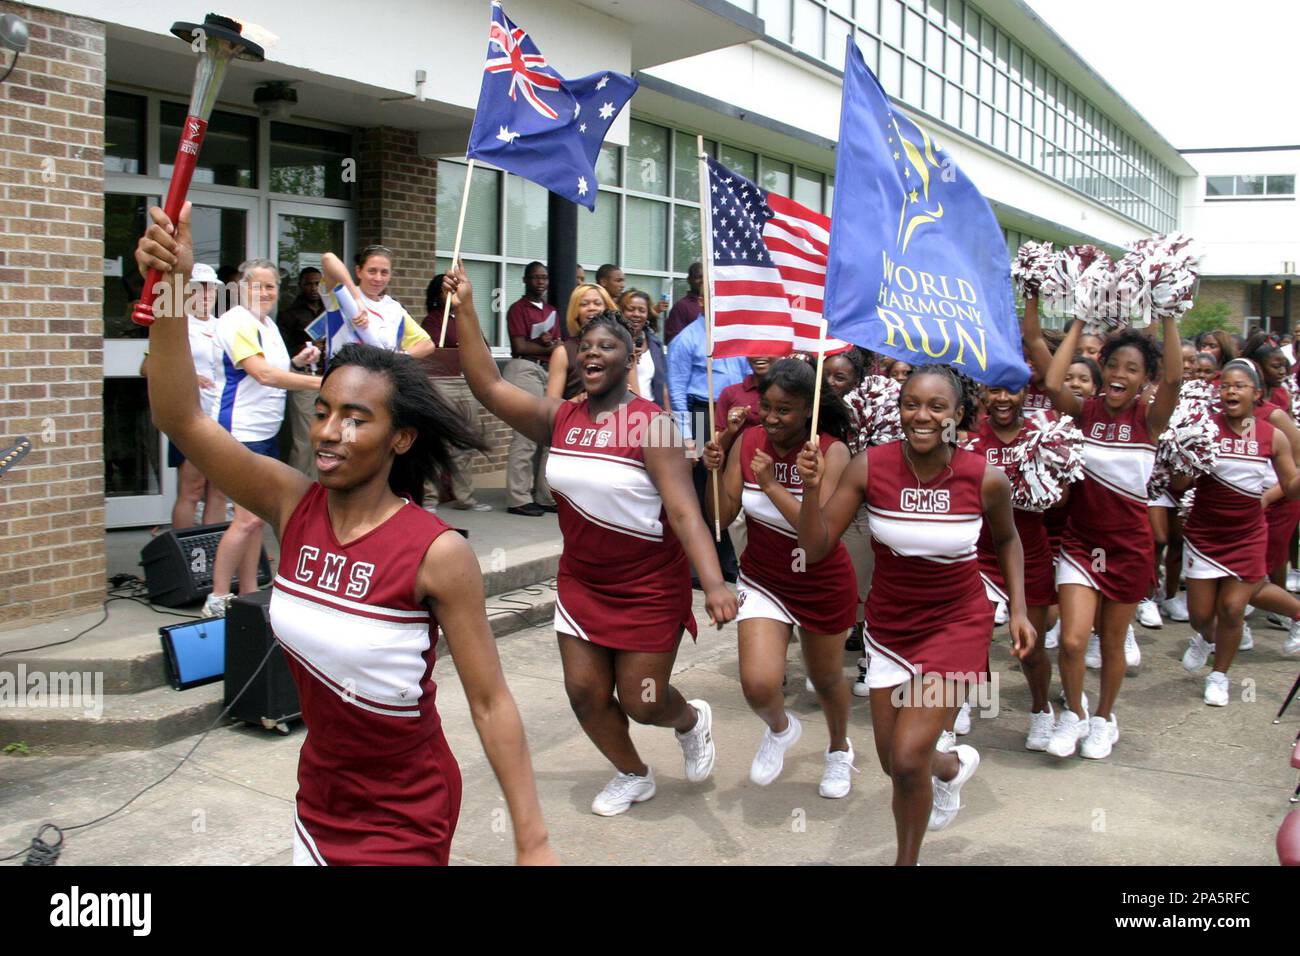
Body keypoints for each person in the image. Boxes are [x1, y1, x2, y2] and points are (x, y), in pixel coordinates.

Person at [135, 202, 555, 866]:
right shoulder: (289, 502)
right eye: (325, 412)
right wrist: (168, 289)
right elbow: (181, 417)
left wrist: (532, 843)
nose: (329, 432)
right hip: (318, 798)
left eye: (357, 418)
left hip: (404, 811)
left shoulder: (438, 554)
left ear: (402, 437)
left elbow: (491, 700)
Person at [448, 262, 738, 816]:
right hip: (584, 581)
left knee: (643, 700)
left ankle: (691, 719)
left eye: (607, 347)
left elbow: (682, 511)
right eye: (586, 346)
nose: (593, 354)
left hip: (649, 584)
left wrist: (716, 582)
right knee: (583, 692)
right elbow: (486, 385)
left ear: (630, 358)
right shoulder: (560, 417)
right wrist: (464, 308)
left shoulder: (650, 425)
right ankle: (633, 772)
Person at [796, 365, 1033, 864]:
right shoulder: (869, 467)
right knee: (894, 763)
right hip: (888, 627)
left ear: (957, 415)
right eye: (911, 404)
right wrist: (811, 488)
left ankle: (907, 860)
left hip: (956, 624)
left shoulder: (984, 478)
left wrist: (1019, 610)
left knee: (907, 758)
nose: (921, 416)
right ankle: (948, 768)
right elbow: (816, 548)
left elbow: (1009, 540)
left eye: (936, 406)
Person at [1033, 299, 1182, 761]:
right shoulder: (1086, 411)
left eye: (1132, 368)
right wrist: (1078, 319)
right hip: (1081, 543)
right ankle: (1073, 715)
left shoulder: (1149, 419)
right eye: (1113, 364)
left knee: (1112, 643)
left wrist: (1172, 313)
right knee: (1074, 639)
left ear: (1145, 379)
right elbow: (1053, 381)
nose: (1120, 373)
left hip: (1128, 547)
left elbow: (1175, 378)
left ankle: (1103, 718)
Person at [703, 359, 859, 796]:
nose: (771, 418)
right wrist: (714, 469)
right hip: (764, 578)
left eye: (784, 410)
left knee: (826, 680)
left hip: (820, 580)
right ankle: (779, 727)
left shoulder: (831, 452)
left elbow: (817, 542)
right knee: (756, 684)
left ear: (807, 412)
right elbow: (720, 516)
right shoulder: (749, 439)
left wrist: (777, 486)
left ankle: (838, 749)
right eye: (766, 407)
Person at [200, 256, 323, 618]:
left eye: (271, 286)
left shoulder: (266, 324)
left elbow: (278, 370)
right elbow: (263, 375)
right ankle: (217, 597)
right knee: (248, 519)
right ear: (241, 288)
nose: (266, 292)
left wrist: (301, 361)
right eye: (258, 286)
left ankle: (250, 594)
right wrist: (321, 381)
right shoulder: (236, 322)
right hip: (239, 431)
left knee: (255, 517)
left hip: (265, 431)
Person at [1179, 359, 1300, 705]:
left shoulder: (1272, 435)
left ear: (1256, 394)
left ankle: (1219, 676)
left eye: (1240, 386)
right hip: (1203, 534)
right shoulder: (1203, 428)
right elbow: (1181, 480)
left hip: (1247, 534)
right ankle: (1204, 637)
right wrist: (1181, 456)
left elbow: (1290, 487)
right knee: (1201, 616)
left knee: (1233, 608)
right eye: (1226, 386)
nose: (1231, 390)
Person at [963, 384, 1059, 750]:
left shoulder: (1043, 437)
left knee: (1030, 646)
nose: (1003, 399)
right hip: (980, 550)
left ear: (1026, 395)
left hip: (1029, 550)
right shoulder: (970, 438)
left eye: (1012, 391)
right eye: (995, 391)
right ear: (984, 395)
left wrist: (1037, 482)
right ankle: (962, 703)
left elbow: (1060, 499)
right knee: (972, 636)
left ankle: (1041, 710)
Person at [139, 262, 227, 529]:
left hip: (223, 417)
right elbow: (146, 367)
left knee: (219, 491)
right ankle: (186, 560)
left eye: (210, 289)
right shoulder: (175, 326)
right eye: (198, 289)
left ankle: (212, 558)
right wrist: (188, 377)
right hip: (191, 418)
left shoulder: (225, 326)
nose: (205, 295)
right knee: (192, 489)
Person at [666, 311, 750, 582]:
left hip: (735, 410)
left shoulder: (737, 331)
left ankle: (727, 559)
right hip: (701, 413)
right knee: (705, 487)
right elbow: (677, 390)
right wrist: (688, 437)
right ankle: (704, 565)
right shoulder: (687, 338)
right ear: (702, 297)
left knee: (731, 483)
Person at [418, 274, 490, 512]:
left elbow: (483, 346)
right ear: (439, 294)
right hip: (443, 383)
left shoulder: (465, 318)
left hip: (466, 382)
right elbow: (431, 349)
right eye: (447, 288)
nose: (452, 291)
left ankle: (465, 498)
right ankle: (429, 498)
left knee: (465, 442)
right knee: (437, 440)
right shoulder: (433, 320)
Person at [503, 262, 562, 517]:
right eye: (535, 278)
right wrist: (547, 346)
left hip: (549, 371)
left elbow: (559, 345)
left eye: (544, 278)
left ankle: (544, 495)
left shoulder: (551, 311)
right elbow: (520, 347)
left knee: (549, 436)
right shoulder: (518, 309)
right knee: (526, 435)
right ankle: (518, 497)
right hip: (525, 369)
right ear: (525, 280)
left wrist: (551, 345)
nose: (540, 282)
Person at [320, 246, 435, 360]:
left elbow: (427, 344)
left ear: (390, 276)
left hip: (380, 375)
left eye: (384, 272)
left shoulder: (394, 308)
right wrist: (357, 299)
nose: (378, 278)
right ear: (359, 271)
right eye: (372, 271)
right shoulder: (341, 296)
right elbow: (328, 259)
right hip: (342, 375)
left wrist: (398, 357)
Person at [277, 267, 325, 478]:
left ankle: (319, 486)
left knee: (327, 437)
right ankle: (297, 489)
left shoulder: (330, 310)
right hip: (303, 376)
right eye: (309, 283)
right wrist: (306, 348)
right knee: (304, 438)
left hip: (329, 376)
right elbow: (281, 351)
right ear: (301, 285)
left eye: (318, 283)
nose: (314, 288)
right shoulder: (289, 313)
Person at [546, 283, 619, 402]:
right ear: (576, 312)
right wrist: (580, 399)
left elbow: (636, 396)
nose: (592, 308)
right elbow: (550, 407)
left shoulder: (621, 347)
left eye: (597, 303)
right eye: (584, 304)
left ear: (607, 308)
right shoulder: (563, 352)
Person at [618, 289, 669, 408]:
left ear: (647, 315)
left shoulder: (655, 344)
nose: (636, 314)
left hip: (651, 411)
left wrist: (668, 414)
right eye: (631, 309)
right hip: (619, 412)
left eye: (642, 311)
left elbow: (663, 385)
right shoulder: (611, 342)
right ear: (621, 312)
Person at [664, 262, 704, 343]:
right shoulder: (681, 307)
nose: (702, 281)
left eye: (705, 277)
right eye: (698, 277)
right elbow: (673, 340)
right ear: (689, 280)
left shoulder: (715, 304)